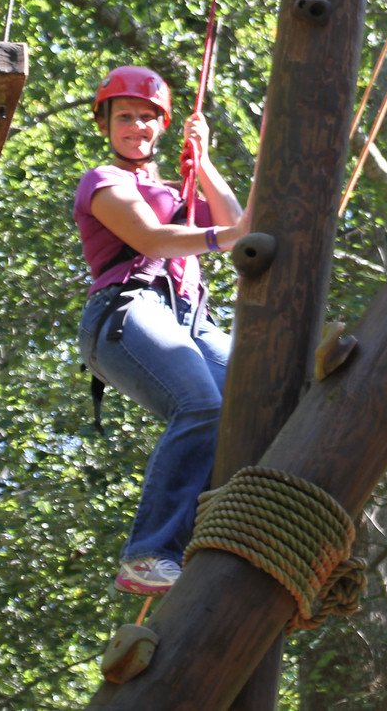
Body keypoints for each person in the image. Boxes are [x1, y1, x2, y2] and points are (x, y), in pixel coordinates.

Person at [74, 65, 251, 596]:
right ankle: (148, 554)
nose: (136, 128)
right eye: (124, 117)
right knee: (201, 404)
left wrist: (207, 164)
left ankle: (218, 532)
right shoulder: (104, 181)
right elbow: (152, 240)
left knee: (266, 393)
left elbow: (239, 223)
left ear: (163, 127)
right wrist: (224, 236)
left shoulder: (178, 190)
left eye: (148, 119)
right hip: (128, 310)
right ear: (105, 123)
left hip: (190, 317)